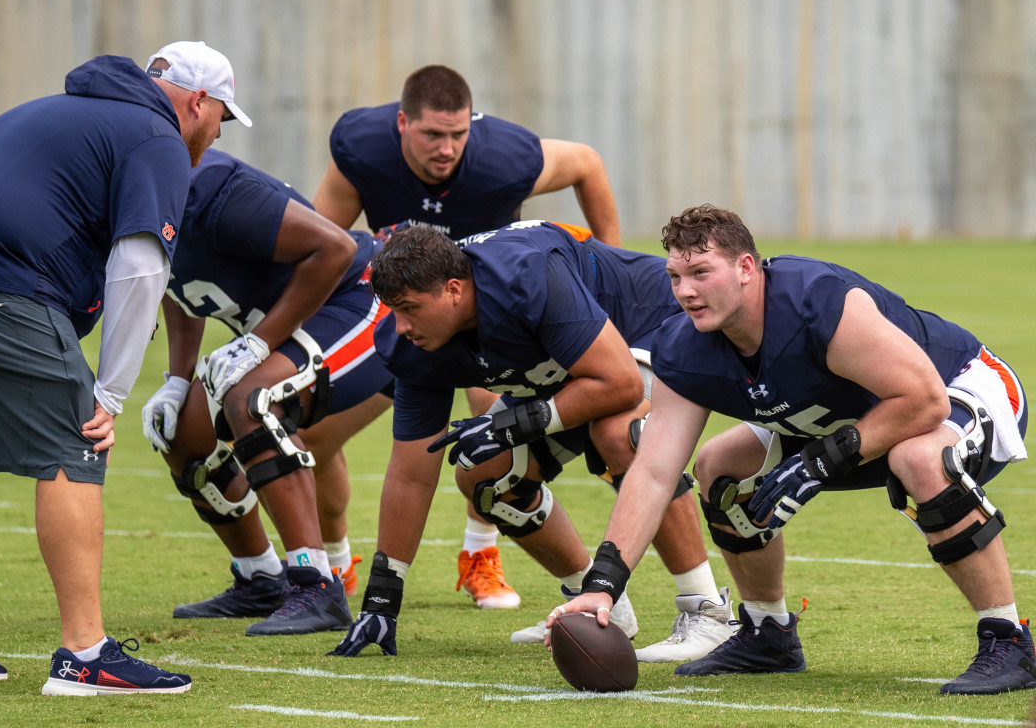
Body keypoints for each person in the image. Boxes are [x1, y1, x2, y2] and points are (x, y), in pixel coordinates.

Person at [0, 40, 243, 694]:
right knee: (81, 443)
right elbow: (140, 266)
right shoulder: (155, 136)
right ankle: (85, 654)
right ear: (196, 102)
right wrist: (110, 394)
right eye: (222, 117)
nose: (218, 134)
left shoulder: (71, 110)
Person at [557, 204, 1033, 695]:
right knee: (718, 468)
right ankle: (768, 633)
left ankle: (1008, 639)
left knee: (919, 459)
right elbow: (654, 472)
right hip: (833, 416)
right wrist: (602, 584)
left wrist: (820, 461)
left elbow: (924, 401)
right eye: (675, 276)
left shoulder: (814, 301)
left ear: (746, 268)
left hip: (956, 387)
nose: (685, 292)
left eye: (701, 272)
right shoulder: (681, 346)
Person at [329, 222, 736, 659]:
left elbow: (619, 384)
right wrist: (382, 600)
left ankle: (706, 610)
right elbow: (410, 475)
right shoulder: (408, 343)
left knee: (620, 435)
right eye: (393, 310)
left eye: (410, 308)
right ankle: (597, 605)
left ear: (453, 290)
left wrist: (508, 426)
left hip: (645, 329)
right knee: (483, 476)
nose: (402, 325)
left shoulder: (523, 276)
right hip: (569, 369)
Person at [313, 63, 622, 613]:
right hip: (406, 321)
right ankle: (332, 566)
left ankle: (481, 555)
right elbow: (326, 249)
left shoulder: (505, 157)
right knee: (315, 434)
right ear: (402, 124)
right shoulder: (361, 147)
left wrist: (610, 261)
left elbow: (587, 164)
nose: (447, 148)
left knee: (489, 418)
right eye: (433, 134)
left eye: (458, 135)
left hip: (492, 323)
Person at [140, 147, 394, 634]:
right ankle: (260, 579)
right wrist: (177, 379)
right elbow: (180, 285)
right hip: (290, 326)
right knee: (183, 434)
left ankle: (317, 585)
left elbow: (336, 248)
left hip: (359, 296)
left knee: (253, 399)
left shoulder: (211, 186)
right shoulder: (135, 194)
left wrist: (256, 343)